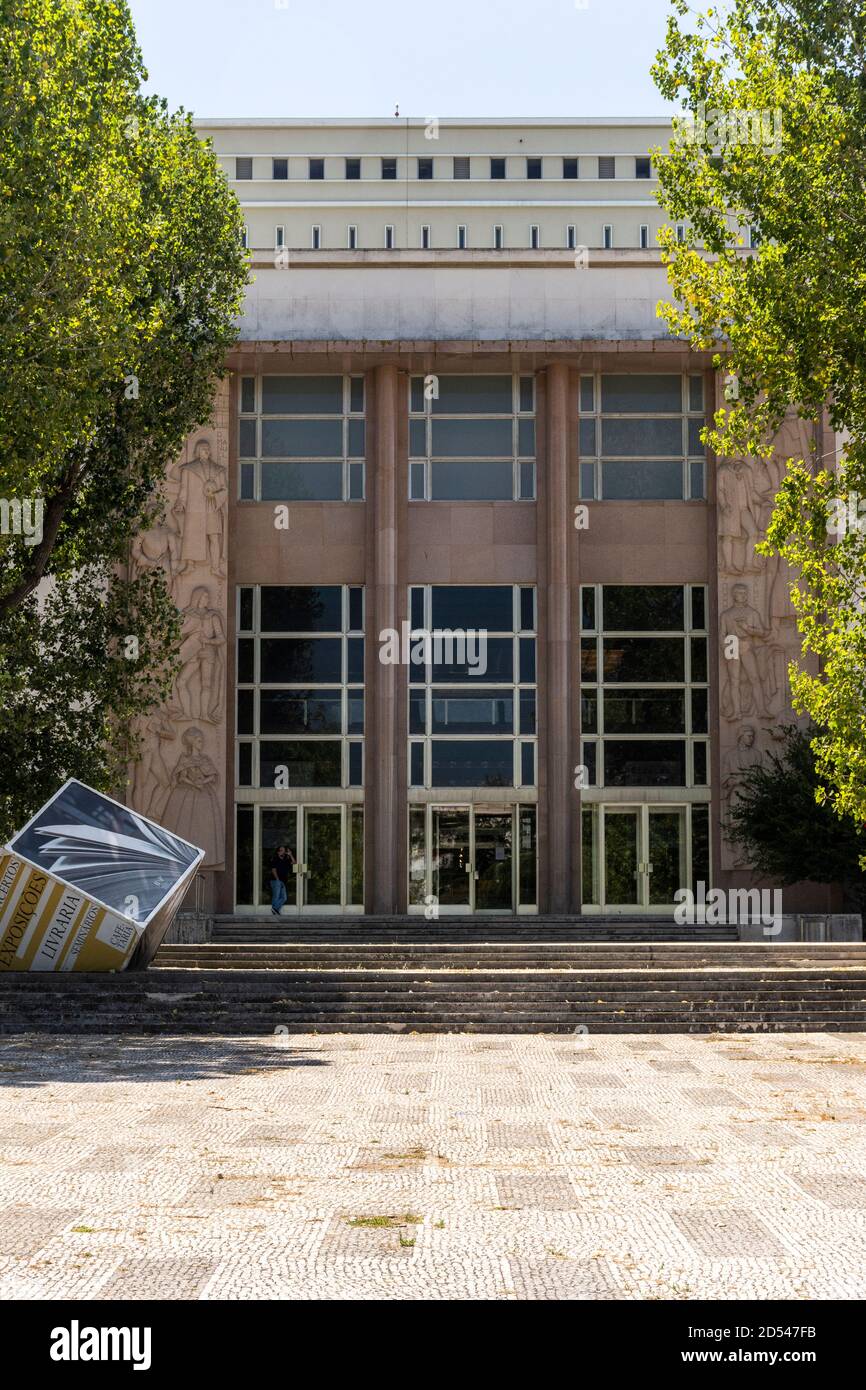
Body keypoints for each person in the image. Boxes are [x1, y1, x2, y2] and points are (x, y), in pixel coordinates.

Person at [269, 844, 295, 916]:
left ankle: (275, 909)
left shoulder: (286, 860)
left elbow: (294, 863)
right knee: (276, 896)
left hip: (283, 881)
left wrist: (290, 854)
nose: (282, 852)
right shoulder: (275, 859)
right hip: (275, 881)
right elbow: (273, 870)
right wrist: (277, 880)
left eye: (283, 850)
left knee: (284, 898)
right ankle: (274, 911)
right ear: (278, 852)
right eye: (281, 850)